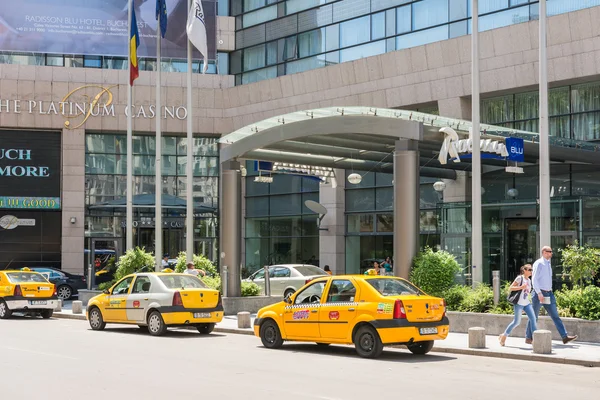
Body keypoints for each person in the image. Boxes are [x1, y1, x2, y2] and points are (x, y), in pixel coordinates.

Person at [525, 246, 577, 345]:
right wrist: (539, 293)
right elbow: (534, 279)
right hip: (538, 294)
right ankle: (528, 337)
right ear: (544, 252)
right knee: (533, 317)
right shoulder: (539, 263)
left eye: (551, 252)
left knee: (555, 316)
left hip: (548, 293)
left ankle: (564, 337)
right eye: (549, 252)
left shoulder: (548, 263)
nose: (551, 253)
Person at [499, 264, 537, 346]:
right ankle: (504, 336)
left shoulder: (529, 280)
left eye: (532, 270)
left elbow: (526, 293)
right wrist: (521, 287)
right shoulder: (520, 278)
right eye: (529, 270)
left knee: (533, 319)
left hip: (527, 303)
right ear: (525, 270)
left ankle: (535, 340)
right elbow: (511, 288)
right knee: (516, 322)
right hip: (519, 304)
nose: (531, 271)